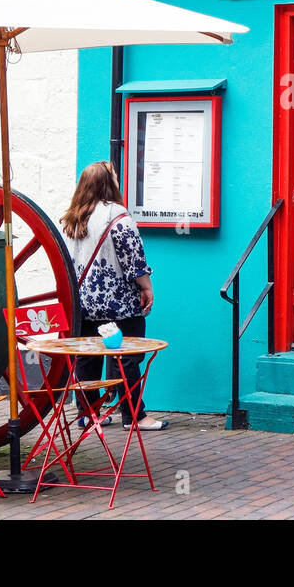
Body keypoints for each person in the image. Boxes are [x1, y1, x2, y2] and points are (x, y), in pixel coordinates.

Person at [59, 161, 166, 431]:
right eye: (115, 177)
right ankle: (134, 416)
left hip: (83, 303)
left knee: (87, 357)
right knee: (127, 357)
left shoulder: (72, 219)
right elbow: (133, 259)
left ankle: (89, 414)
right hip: (119, 303)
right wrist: (146, 286)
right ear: (109, 183)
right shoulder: (118, 215)